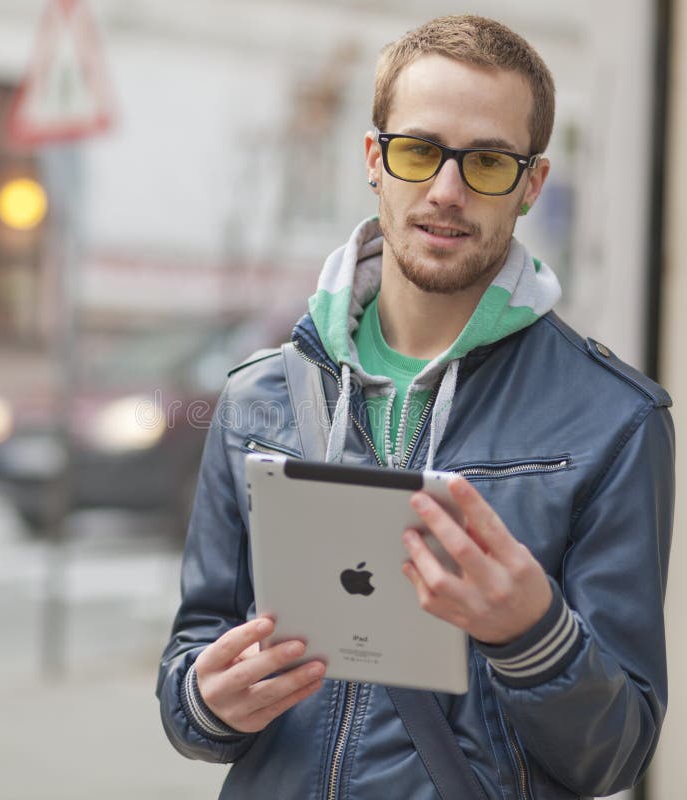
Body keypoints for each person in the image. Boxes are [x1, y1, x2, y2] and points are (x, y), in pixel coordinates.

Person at [157, 14, 674, 799]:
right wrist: (205, 701)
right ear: (375, 158)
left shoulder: (614, 423)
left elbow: (616, 759)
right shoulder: (255, 398)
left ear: (532, 184)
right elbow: (192, 663)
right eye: (419, 150)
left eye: (489, 162)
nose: (445, 191)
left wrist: (535, 635)